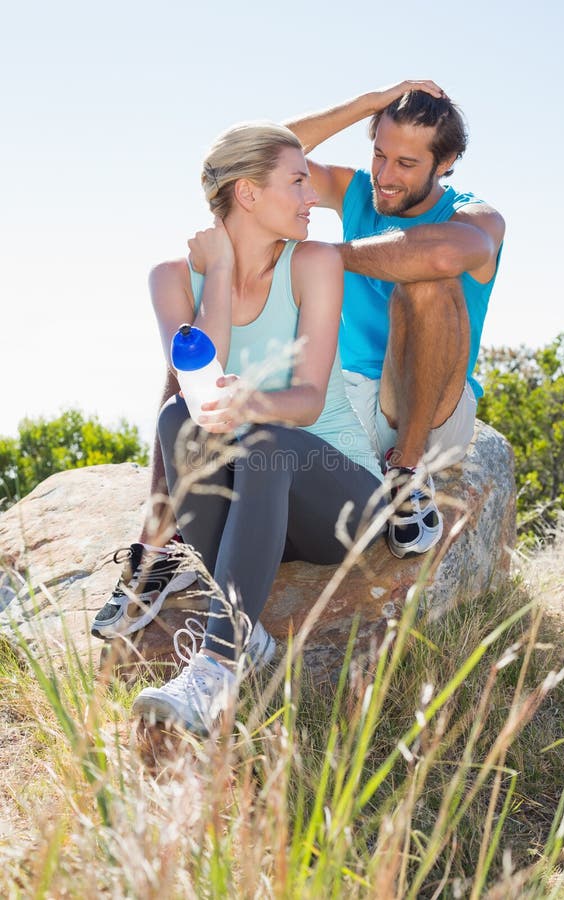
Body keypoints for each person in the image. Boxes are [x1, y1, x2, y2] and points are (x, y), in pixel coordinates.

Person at [127, 121, 386, 736]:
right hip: (251, 512)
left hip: (334, 493)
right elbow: (198, 379)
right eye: (297, 182)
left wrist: (249, 406)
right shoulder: (171, 278)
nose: (310, 198)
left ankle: (217, 664)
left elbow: (307, 399)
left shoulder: (315, 262)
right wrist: (217, 273)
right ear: (246, 193)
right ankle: (249, 637)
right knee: (175, 418)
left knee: (265, 439)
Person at [283, 79, 505, 558]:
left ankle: (406, 474)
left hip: (431, 411)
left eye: (406, 163)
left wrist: (328, 257)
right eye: (380, 154)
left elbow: (443, 256)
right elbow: (259, 159)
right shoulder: (356, 192)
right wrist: (369, 104)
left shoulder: (477, 217)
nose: (386, 174)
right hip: (347, 399)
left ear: (444, 164)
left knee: (426, 280)